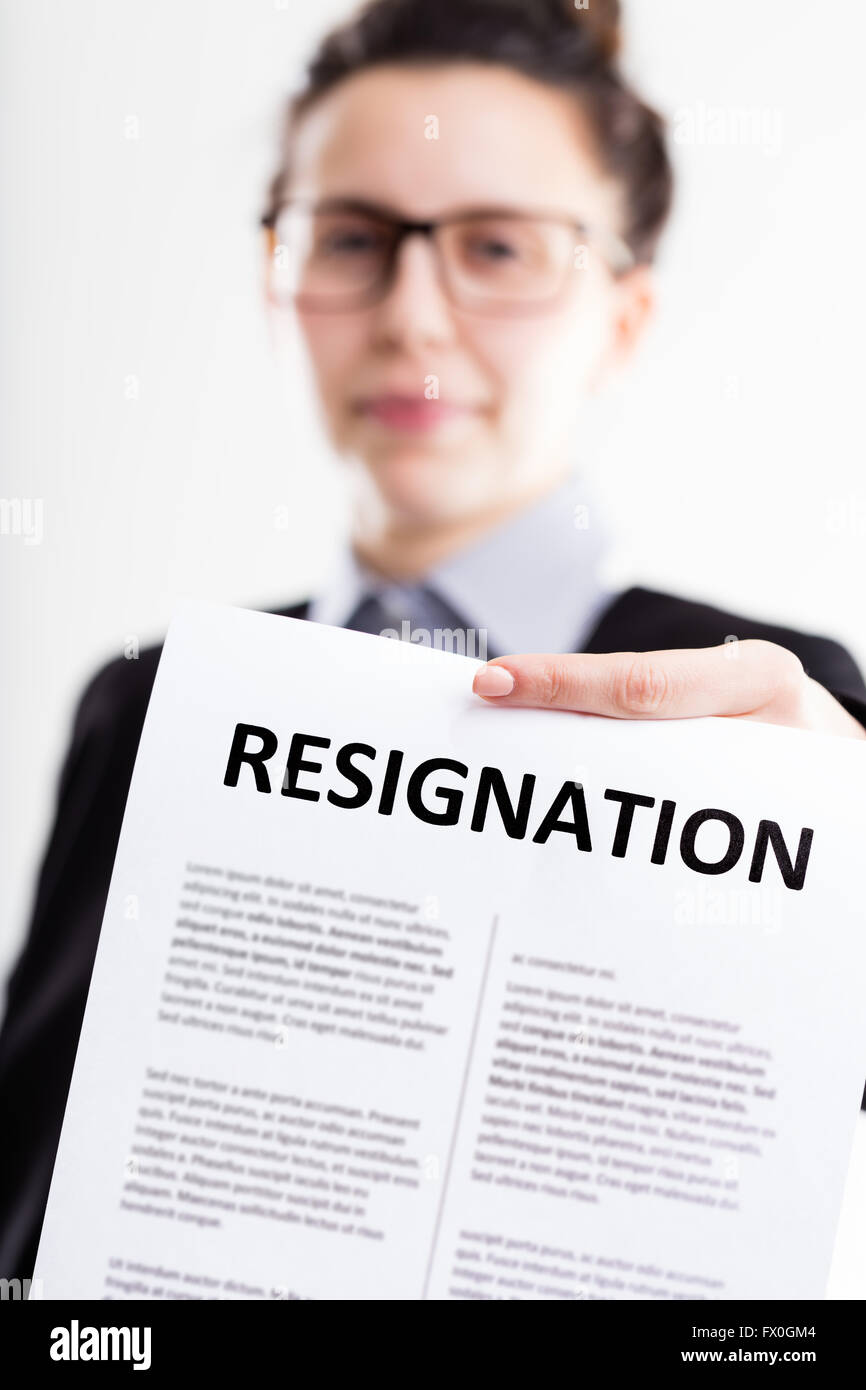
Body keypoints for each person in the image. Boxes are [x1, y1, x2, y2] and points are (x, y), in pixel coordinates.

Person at [1, 0, 864, 1284]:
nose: (410, 312)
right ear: (276, 278)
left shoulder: (769, 717)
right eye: (351, 238)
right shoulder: (147, 701)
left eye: (498, 246)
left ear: (622, 313)